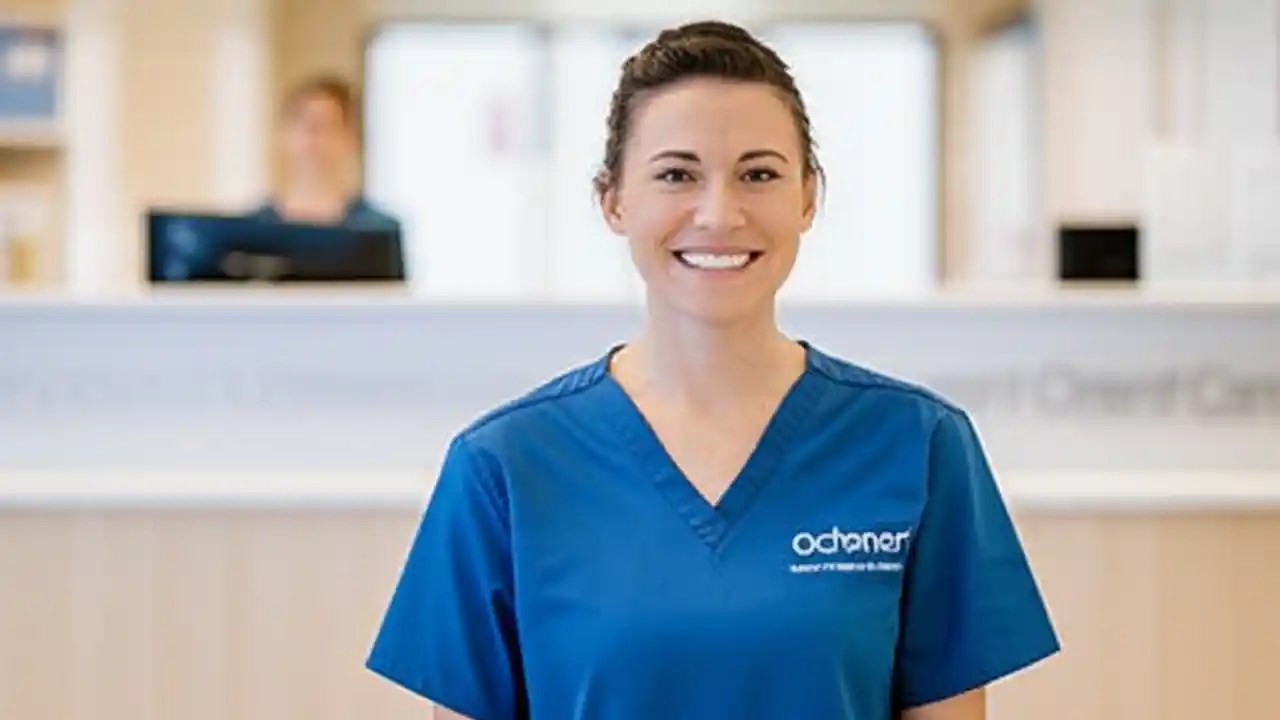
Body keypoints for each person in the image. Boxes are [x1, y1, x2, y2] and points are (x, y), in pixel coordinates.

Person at [365, 20, 1060, 720]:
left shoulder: (917, 446)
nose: (719, 213)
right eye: (677, 175)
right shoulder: (505, 467)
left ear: (808, 197)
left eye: (758, 174)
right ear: (613, 200)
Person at [255, 74, 400, 232]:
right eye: (304, 124)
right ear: (282, 135)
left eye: (328, 125)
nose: (313, 137)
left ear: (351, 138)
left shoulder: (377, 229)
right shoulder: (252, 230)